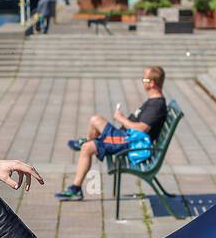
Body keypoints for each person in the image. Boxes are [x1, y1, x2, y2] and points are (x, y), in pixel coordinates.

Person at [55, 66, 168, 201]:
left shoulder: (156, 105)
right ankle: (88, 141)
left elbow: (141, 129)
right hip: (125, 136)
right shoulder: (154, 102)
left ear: (152, 83)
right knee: (95, 120)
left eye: (144, 79)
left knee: (87, 148)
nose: (142, 81)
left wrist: (121, 118)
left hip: (128, 142)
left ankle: (75, 189)